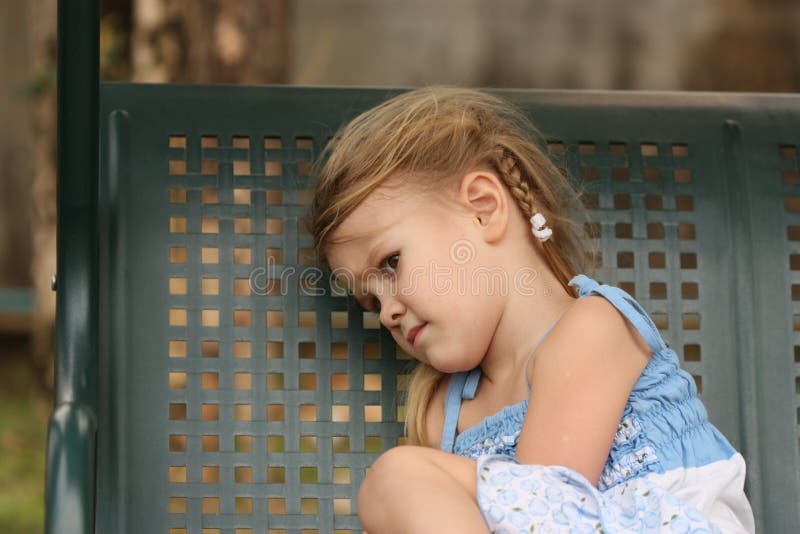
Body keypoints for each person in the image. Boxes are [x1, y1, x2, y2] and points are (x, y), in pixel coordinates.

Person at [305, 86, 755, 533]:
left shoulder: (591, 331)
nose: (386, 314)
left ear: (482, 209)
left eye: (392, 263)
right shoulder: (443, 413)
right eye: (371, 299)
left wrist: (412, 484)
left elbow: (545, 515)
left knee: (397, 479)